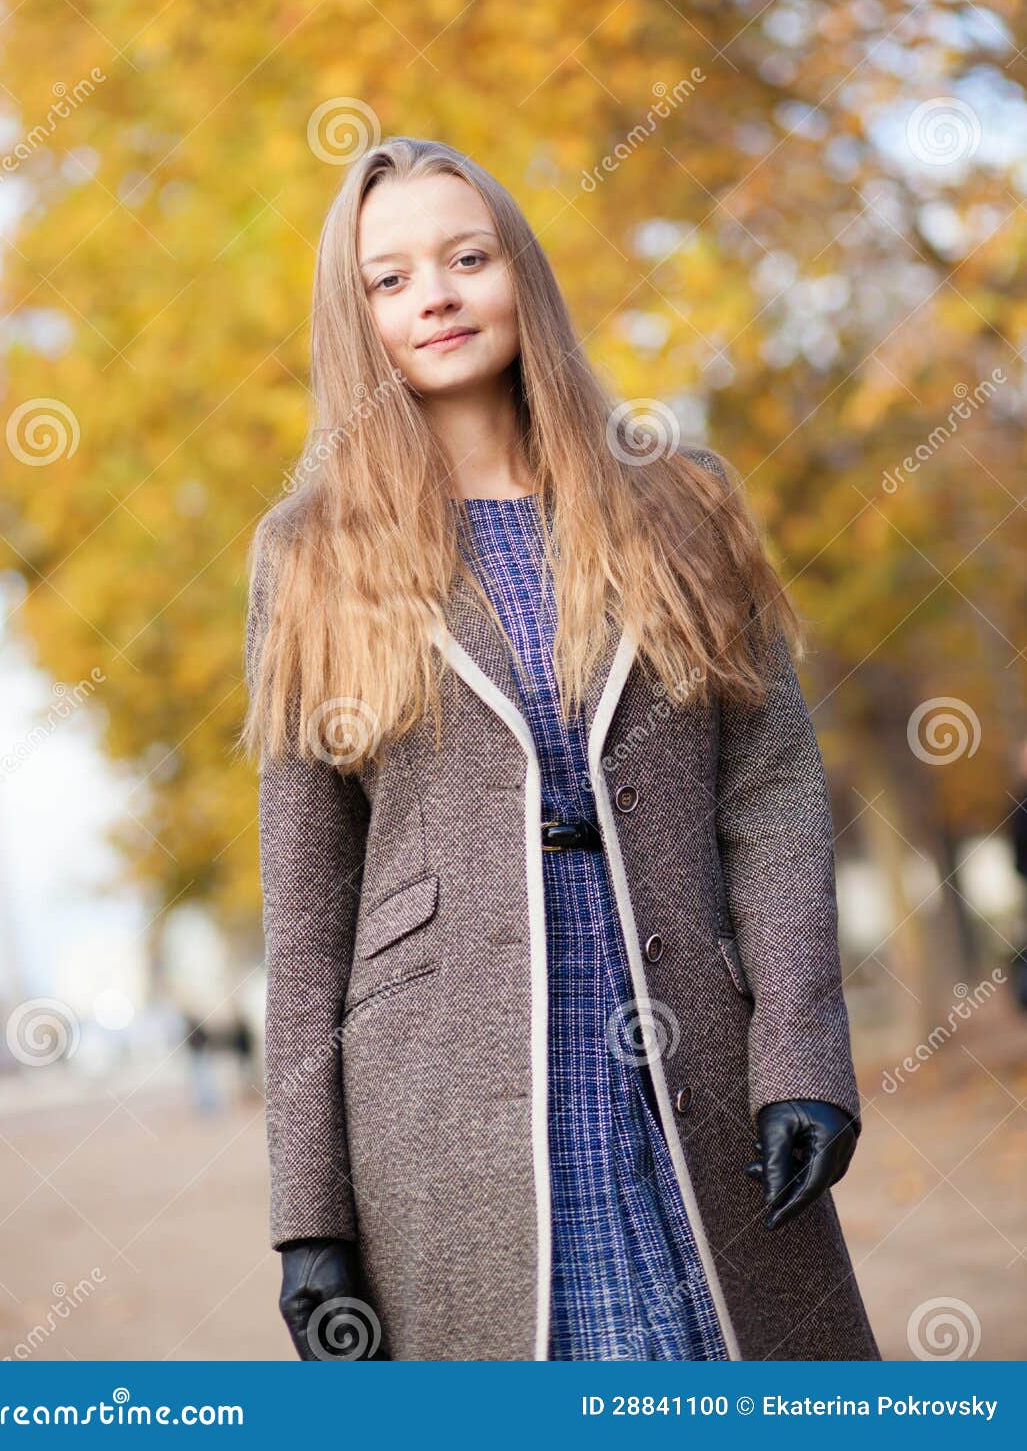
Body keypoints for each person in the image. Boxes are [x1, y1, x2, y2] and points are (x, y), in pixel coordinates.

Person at [241, 136, 880, 1363]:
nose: (434, 296)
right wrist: (307, 1218)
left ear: (520, 274)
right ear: (353, 319)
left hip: (698, 1078)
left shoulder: (679, 502)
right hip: (445, 1123)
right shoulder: (307, 552)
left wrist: (802, 1055)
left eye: (466, 258)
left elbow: (772, 795)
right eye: (388, 280)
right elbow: (307, 907)